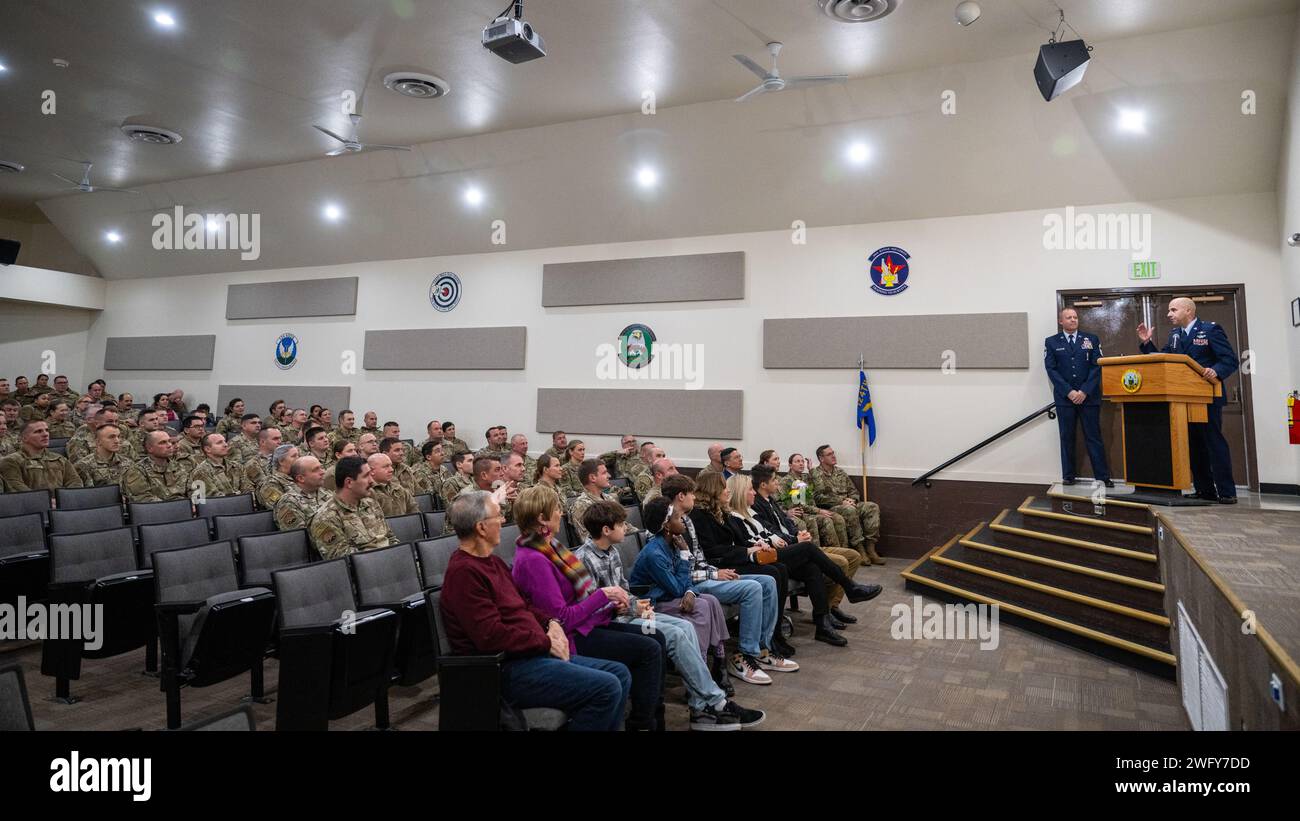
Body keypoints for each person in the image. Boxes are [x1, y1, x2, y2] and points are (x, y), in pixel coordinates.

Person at [438, 490, 630, 731]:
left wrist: (551, 622)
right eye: (498, 517)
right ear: (481, 528)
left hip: (530, 654)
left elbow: (524, 605)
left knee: (619, 673)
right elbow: (491, 636)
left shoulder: (492, 562)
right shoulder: (464, 574)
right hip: (506, 669)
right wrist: (544, 641)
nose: (503, 522)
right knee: (607, 687)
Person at [575, 500, 764, 730]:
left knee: (685, 627)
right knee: (675, 633)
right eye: (621, 524)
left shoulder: (612, 552)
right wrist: (624, 606)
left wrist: (637, 605)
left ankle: (702, 704)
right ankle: (715, 702)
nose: (626, 528)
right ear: (606, 530)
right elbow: (588, 604)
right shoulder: (584, 558)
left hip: (630, 613)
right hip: (611, 623)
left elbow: (625, 591)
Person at [509, 485, 665, 731]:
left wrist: (611, 606)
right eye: (556, 509)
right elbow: (562, 619)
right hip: (571, 638)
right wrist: (604, 596)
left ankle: (648, 721)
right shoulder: (534, 560)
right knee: (647, 650)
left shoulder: (550, 548)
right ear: (542, 518)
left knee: (654, 638)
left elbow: (577, 605)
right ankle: (644, 724)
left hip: (587, 624)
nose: (561, 513)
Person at [726, 472, 881, 646]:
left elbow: (771, 530)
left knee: (811, 567)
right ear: (740, 492)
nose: (753, 492)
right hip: (761, 559)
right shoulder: (733, 517)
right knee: (808, 549)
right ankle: (849, 586)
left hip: (775, 551)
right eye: (749, 490)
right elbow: (747, 542)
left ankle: (823, 624)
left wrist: (791, 537)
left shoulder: (749, 512)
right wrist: (783, 541)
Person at [688, 471, 799, 668]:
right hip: (717, 566)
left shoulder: (719, 511)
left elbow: (735, 540)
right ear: (714, 491)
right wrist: (748, 550)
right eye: (723, 487)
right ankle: (750, 650)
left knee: (772, 576)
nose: (727, 491)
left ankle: (764, 645)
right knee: (767, 577)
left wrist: (754, 545)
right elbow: (712, 550)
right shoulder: (698, 516)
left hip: (727, 559)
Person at [1138, 297, 1239, 503]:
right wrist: (1147, 344)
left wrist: (1215, 371)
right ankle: (1205, 490)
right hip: (1183, 399)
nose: (1169, 314)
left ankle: (1227, 491)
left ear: (1188, 311)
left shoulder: (1210, 330)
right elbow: (1164, 359)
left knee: (1213, 444)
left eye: (1173, 310)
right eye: (1169, 310)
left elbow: (1229, 360)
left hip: (1208, 397)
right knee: (1194, 445)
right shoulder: (1175, 334)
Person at [752, 464, 863, 627]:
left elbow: (787, 522)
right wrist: (795, 539)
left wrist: (798, 533)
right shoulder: (757, 504)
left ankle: (833, 606)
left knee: (853, 557)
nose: (777, 482)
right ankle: (839, 599)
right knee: (841, 562)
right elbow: (771, 530)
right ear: (763, 484)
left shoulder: (770, 500)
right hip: (789, 550)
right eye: (774, 480)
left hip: (798, 543)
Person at [1045, 307, 1112, 488]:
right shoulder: (1051, 342)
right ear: (1061, 321)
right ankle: (1068, 475)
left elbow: (1097, 366)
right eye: (1069, 317)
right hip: (1065, 399)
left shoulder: (1091, 339)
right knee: (1067, 437)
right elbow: (1051, 369)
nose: (1073, 320)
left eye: (1075, 317)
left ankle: (1103, 477)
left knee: (1094, 436)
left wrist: (1084, 391)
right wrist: (1069, 392)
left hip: (1089, 398)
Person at [308, 456, 396, 559]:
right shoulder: (326, 517)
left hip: (389, 563)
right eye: (366, 476)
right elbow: (342, 559)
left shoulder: (371, 504)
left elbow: (390, 537)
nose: (371, 481)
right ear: (349, 482)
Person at [811, 445, 884, 565]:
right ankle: (859, 550)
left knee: (872, 507)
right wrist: (841, 501)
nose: (833, 456)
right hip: (832, 507)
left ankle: (871, 549)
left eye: (833, 453)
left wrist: (852, 499)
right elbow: (818, 497)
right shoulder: (816, 474)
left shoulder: (840, 472)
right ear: (821, 458)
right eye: (829, 454)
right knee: (849, 510)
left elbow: (853, 490)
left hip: (849, 503)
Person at [0, 420, 83, 491]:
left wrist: (64, 498)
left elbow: (75, 481)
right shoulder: (11, 461)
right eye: (38, 431)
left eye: (47, 430)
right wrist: (44, 500)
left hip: (62, 504)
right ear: (24, 438)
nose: (45, 434)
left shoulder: (59, 459)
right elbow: (17, 488)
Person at [121, 430, 190, 502]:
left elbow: (191, 488)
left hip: (183, 508)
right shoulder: (136, 471)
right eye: (162, 443)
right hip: (156, 510)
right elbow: (143, 498)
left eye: (169, 441)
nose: (169, 445)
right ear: (150, 448)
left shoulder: (179, 466)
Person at [274, 455, 331, 531]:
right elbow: (299, 536)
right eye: (316, 470)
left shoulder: (326, 492)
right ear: (301, 478)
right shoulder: (288, 502)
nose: (323, 472)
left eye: (321, 468)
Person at [73, 423, 132, 488]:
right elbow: (86, 493)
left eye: (118, 436)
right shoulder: (83, 465)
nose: (117, 441)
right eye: (111, 437)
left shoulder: (128, 463)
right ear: (98, 441)